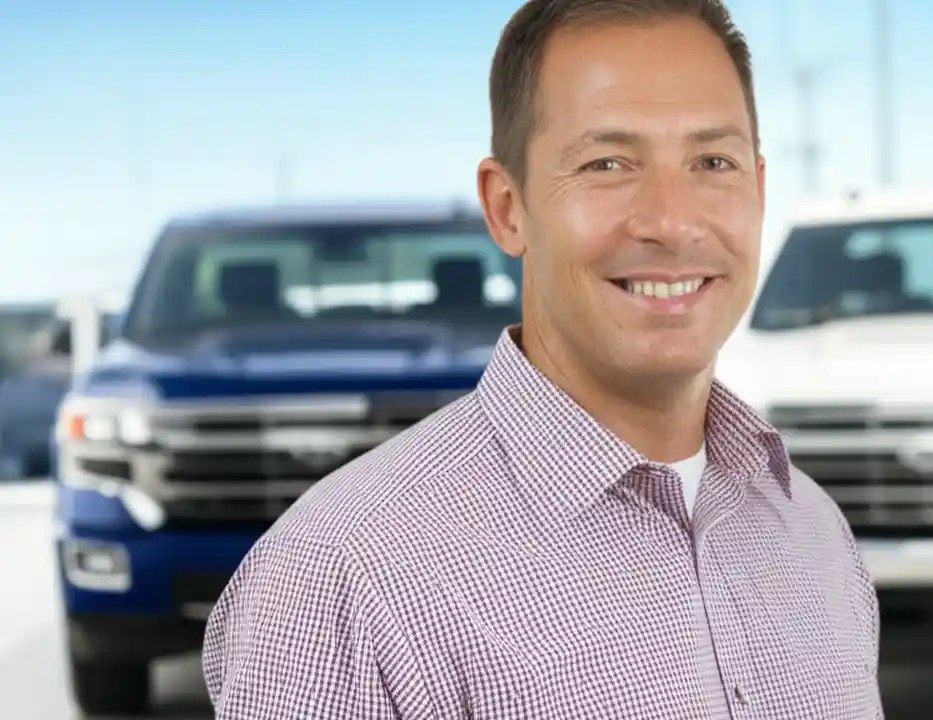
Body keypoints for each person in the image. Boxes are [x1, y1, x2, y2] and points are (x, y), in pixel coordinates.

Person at [201, 0, 883, 717]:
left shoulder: (812, 534)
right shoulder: (343, 579)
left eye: (714, 162)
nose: (672, 220)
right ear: (507, 207)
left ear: (760, 188)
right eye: (608, 163)